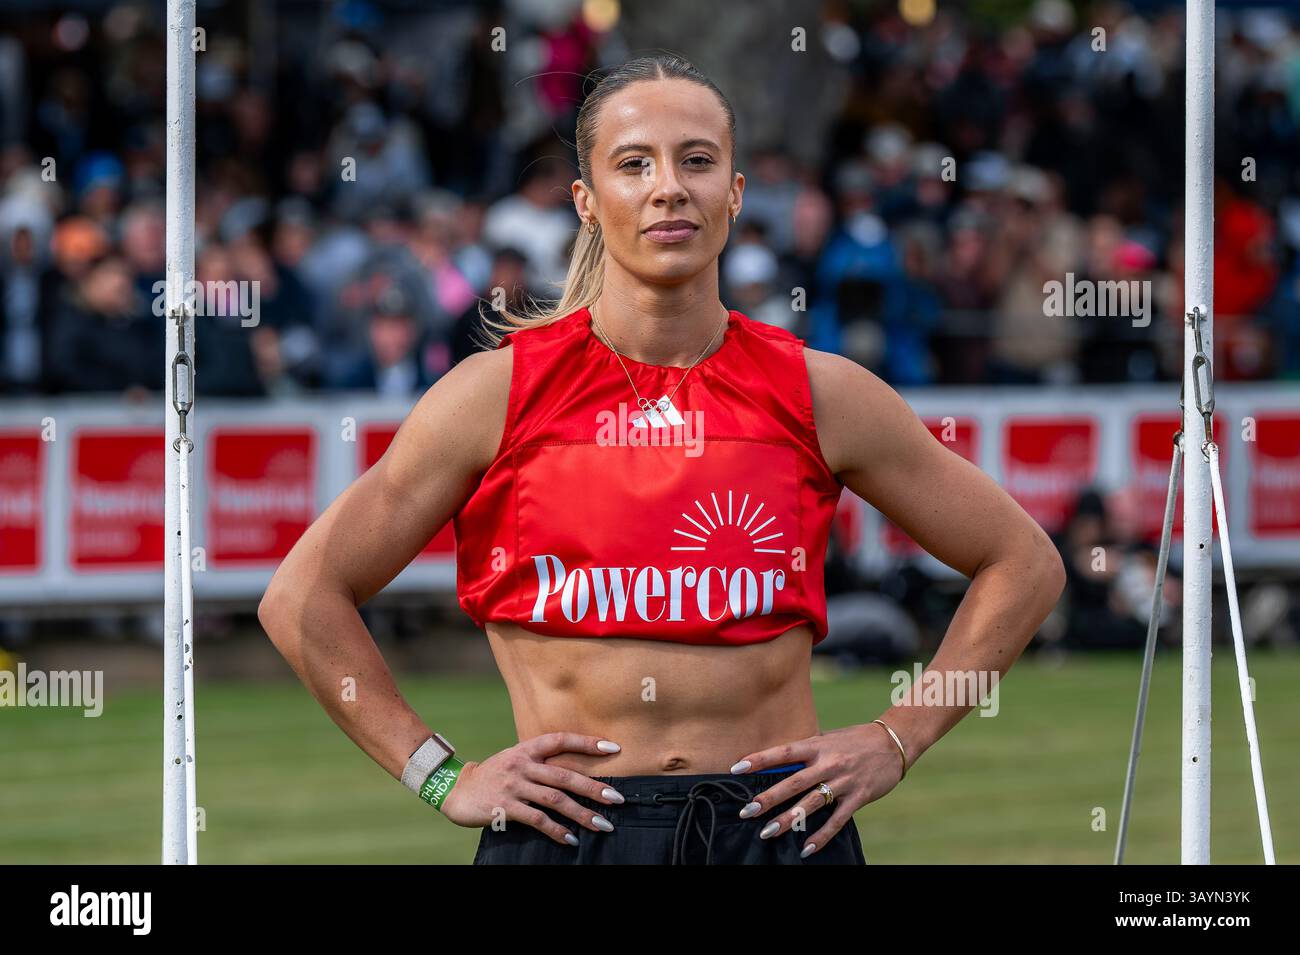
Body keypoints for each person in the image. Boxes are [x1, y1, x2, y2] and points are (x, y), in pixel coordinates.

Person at [259, 54, 1066, 865]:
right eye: (634, 163)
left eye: (698, 160)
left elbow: (1023, 562)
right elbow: (302, 599)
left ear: (736, 193)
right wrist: (439, 775)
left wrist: (898, 735)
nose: (669, 187)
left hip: (781, 833)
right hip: (568, 837)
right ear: (587, 200)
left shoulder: (822, 393)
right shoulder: (493, 395)